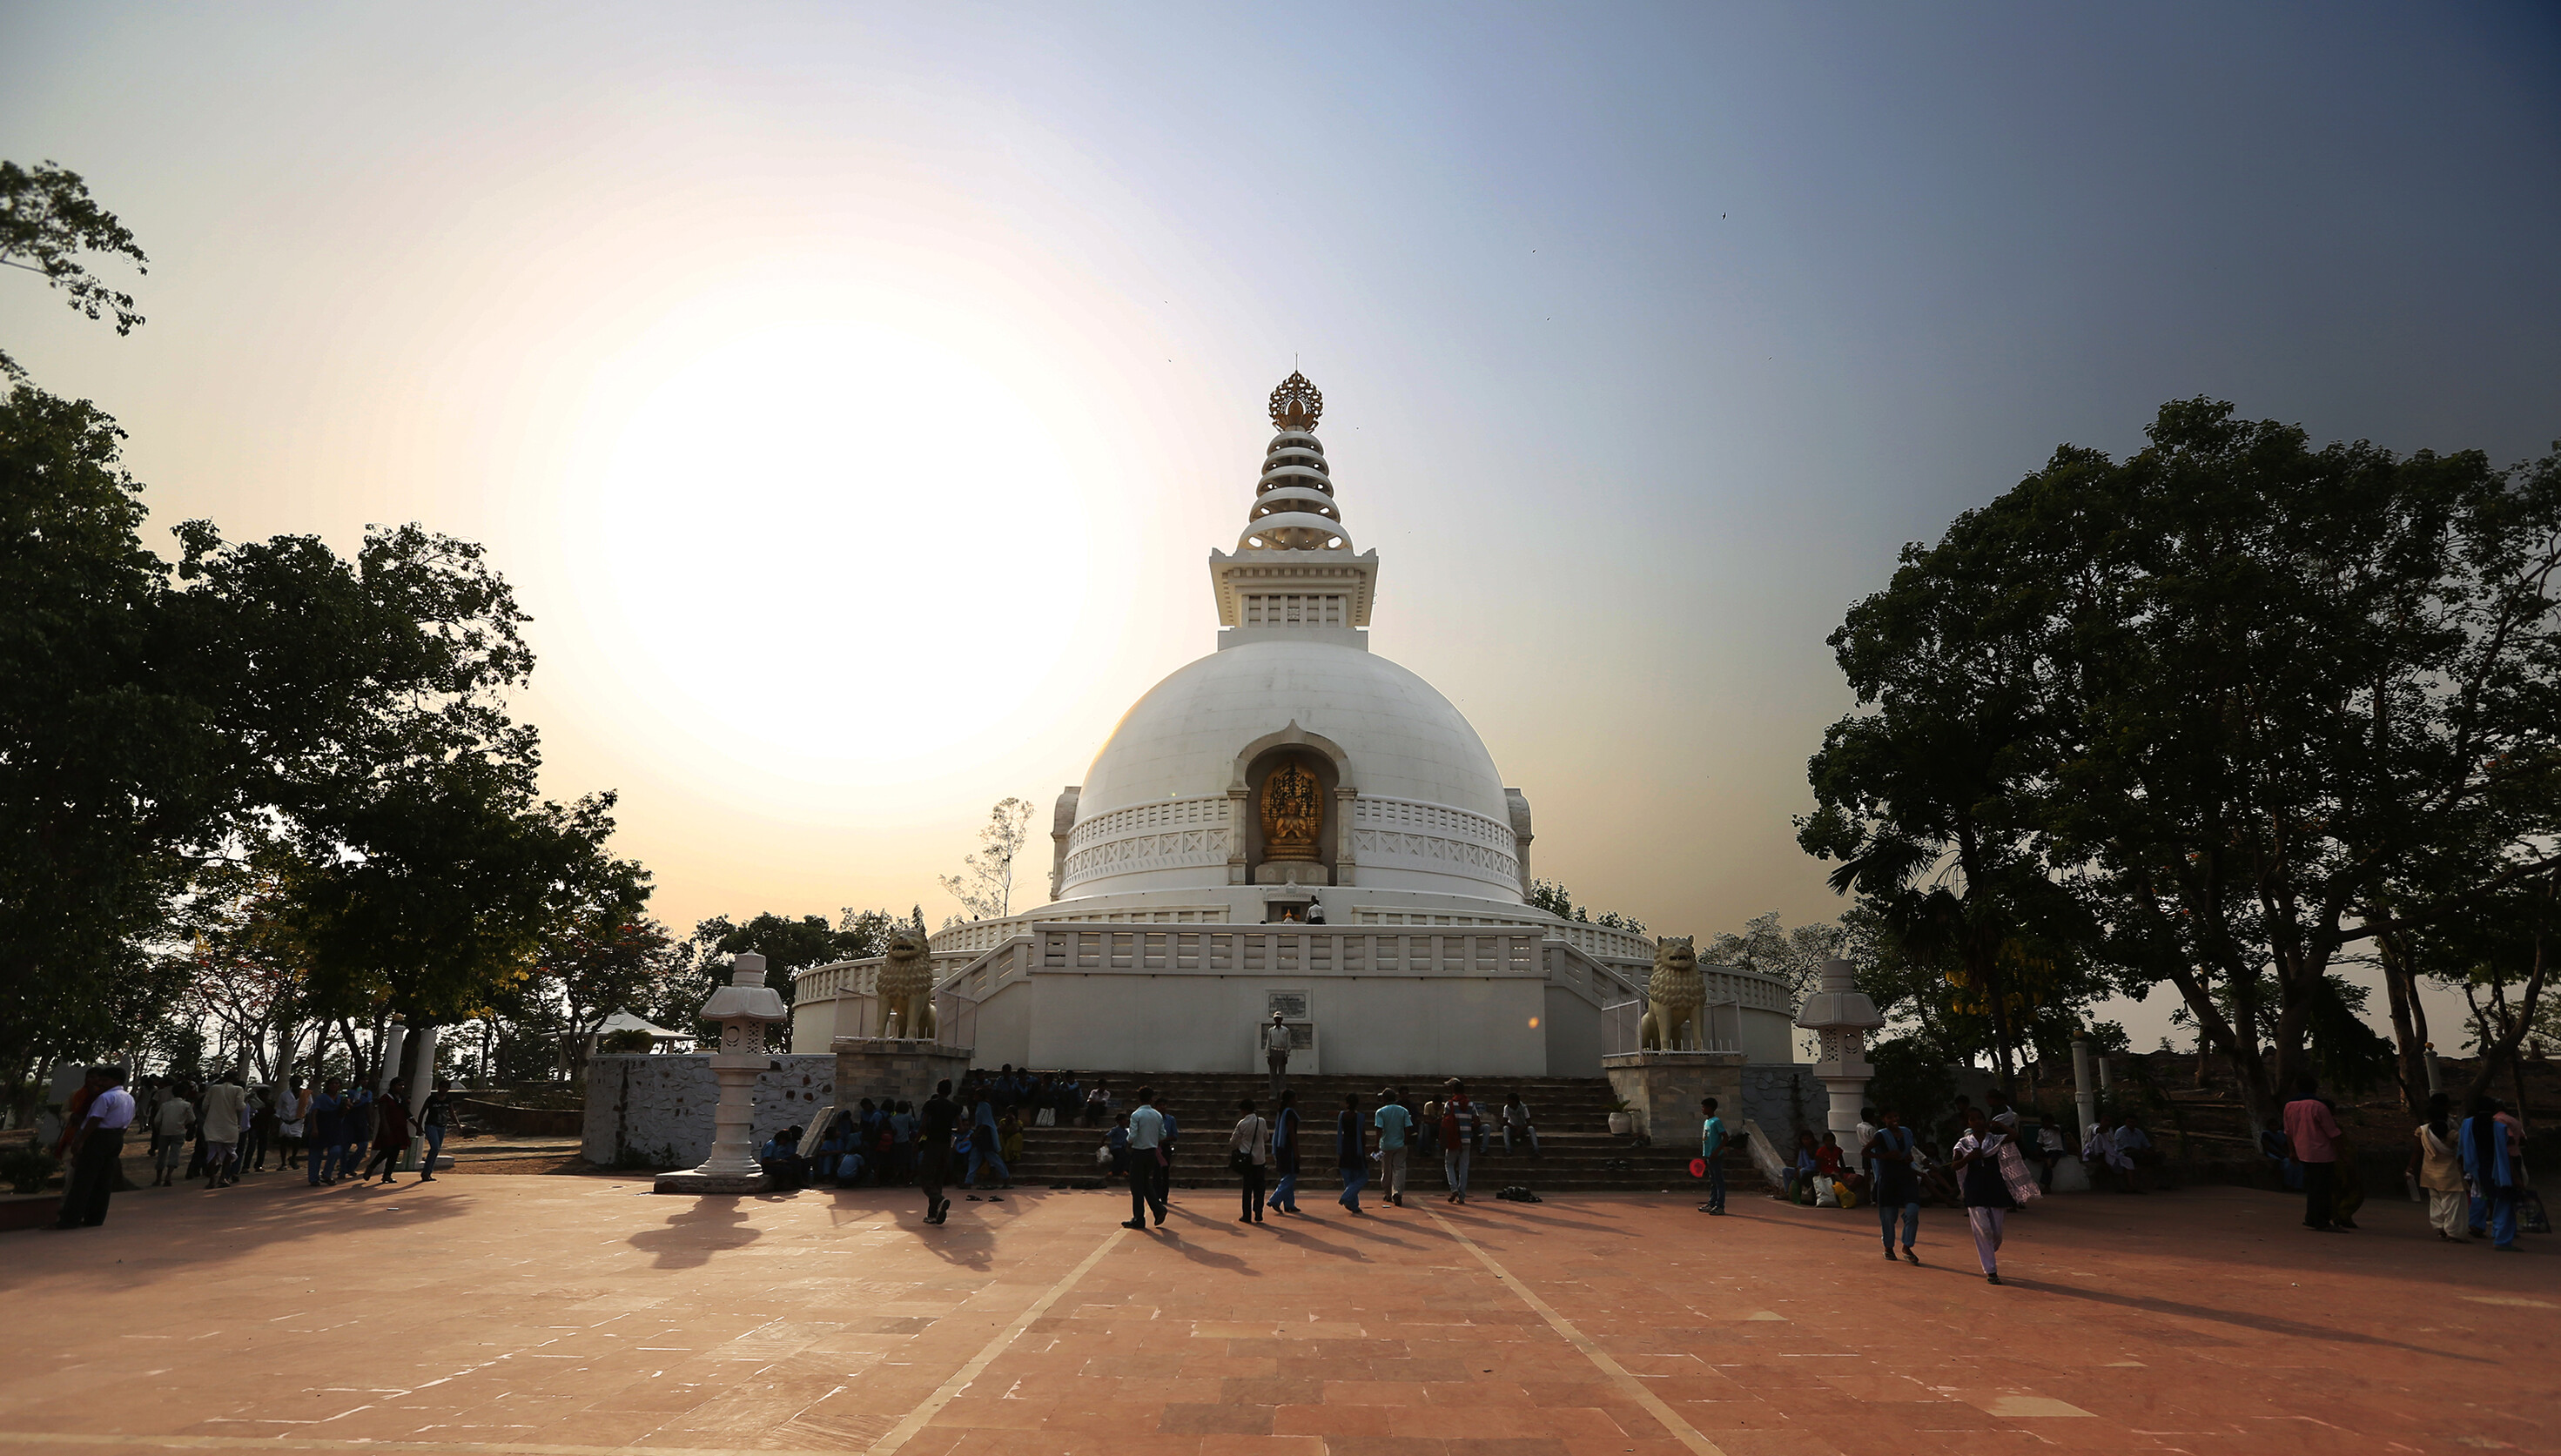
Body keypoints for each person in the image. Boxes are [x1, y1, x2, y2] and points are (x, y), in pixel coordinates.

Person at [52, 1065, 134, 1230]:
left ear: (116, 1081)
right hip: (116, 1137)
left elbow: (94, 1120)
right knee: (104, 1180)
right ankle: (95, 1217)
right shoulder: (128, 1098)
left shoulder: (105, 1097)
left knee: (84, 1179)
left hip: (98, 1137)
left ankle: (70, 1219)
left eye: (105, 1080)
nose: (100, 1083)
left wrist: (80, 1140)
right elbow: (127, 1122)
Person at [1952, 1108, 2012, 1285]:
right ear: (1968, 1123)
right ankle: (1991, 1271)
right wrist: (1969, 1157)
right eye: (1973, 1119)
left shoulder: (1994, 1139)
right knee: (1983, 1230)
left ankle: (1988, 1251)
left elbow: (2014, 1136)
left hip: (1995, 1188)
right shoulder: (1963, 1143)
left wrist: (2000, 1125)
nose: (1977, 1121)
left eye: (1980, 1118)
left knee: (1996, 1232)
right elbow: (1954, 1165)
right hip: (1975, 1189)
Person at [2283, 1075, 2343, 1232]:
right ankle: (2322, 1221)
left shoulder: (2290, 1106)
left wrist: (2292, 1151)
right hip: (2322, 1153)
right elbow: (2332, 1132)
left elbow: (2288, 1132)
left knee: (2312, 1187)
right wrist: (2341, 1152)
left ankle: (2311, 1217)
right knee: (2323, 1188)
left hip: (2303, 1151)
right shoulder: (2319, 1107)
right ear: (2315, 1088)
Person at [2460, 1096, 2520, 1251]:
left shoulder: (2468, 1124)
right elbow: (2506, 1153)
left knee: (2479, 1197)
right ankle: (2501, 1238)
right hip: (2498, 1170)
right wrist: (2515, 1177)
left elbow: (2461, 1149)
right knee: (2503, 1203)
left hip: (2475, 1168)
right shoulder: (2498, 1128)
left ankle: (2476, 1224)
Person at [2410, 1093, 2469, 1242]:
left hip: (2429, 1172)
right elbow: (2463, 1150)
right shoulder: (2453, 1134)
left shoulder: (2422, 1131)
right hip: (2450, 1173)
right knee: (2453, 1204)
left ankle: (2440, 1227)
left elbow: (2417, 1151)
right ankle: (2454, 1233)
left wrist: (2410, 1168)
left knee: (2436, 1201)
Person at [1867, 1109, 1921, 1263]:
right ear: (1883, 1119)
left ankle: (1907, 1246)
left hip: (1907, 1176)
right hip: (1888, 1178)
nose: (1894, 1119)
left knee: (1913, 1211)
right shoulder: (1881, 1135)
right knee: (1888, 1216)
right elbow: (1865, 1152)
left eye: (1896, 1116)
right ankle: (1888, 1247)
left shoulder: (1907, 1132)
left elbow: (1909, 1151)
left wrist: (1908, 1158)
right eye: (1889, 1117)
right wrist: (1884, 1156)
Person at [1123, 1086, 1168, 1229]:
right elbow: (1163, 1135)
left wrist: (1128, 1141)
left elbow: (1132, 1136)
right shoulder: (1157, 1115)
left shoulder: (1136, 1115)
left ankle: (1139, 1217)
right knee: (1145, 1183)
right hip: (1151, 1152)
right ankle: (1158, 1209)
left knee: (1136, 1185)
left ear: (1139, 1098)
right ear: (1151, 1099)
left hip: (1139, 1152)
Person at [918, 1079, 960, 1225]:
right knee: (938, 1178)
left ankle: (939, 1199)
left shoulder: (930, 1105)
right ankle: (933, 1213)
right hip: (946, 1144)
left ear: (937, 1089)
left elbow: (923, 1125)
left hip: (933, 1143)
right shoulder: (954, 1107)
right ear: (950, 1091)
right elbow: (961, 1127)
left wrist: (916, 1141)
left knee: (926, 1178)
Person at [199, 1073, 250, 1189]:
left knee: (212, 1153)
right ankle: (223, 1177)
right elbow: (240, 1107)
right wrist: (246, 1100)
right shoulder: (238, 1090)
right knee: (229, 1152)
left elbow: (204, 1106)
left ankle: (212, 1179)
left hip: (213, 1125)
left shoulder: (213, 1089)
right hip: (230, 1125)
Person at [364, 1079, 413, 1184]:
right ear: (393, 1086)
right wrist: (385, 1126)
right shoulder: (386, 1098)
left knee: (395, 1152)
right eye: (399, 1085)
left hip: (400, 1128)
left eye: (403, 1085)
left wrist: (416, 1125)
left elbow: (408, 1113)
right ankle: (371, 1166)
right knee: (387, 1150)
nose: (402, 1087)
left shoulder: (402, 1099)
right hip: (389, 1127)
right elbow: (382, 1113)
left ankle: (387, 1175)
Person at [1232, 1097, 1270, 1224]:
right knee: (1260, 1188)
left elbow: (1233, 1141)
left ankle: (1246, 1215)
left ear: (1244, 1110)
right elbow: (1266, 1137)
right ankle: (1258, 1212)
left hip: (1247, 1161)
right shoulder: (1261, 1121)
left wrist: (1242, 1145)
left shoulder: (1242, 1124)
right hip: (1260, 1159)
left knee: (1247, 1189)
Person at [1373, 1087, 1411, 1208]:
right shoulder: (1403, 1111)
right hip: (1400, 1144)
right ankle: (1397, 1192)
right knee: (1399, 1168)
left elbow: (1379, 1129)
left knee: (1386, 1170)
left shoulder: (1380, 1112)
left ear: (1384, 1099)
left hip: (1386, 1145)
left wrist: (1376, 1143)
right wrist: (1406, 1140)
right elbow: (1408, 1127)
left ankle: (1388, 1193)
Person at [1441, 1081, 1479, 1204]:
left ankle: (1454, 1188)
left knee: (1449, 1164)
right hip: (1466, 1138)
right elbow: (1477, 1122)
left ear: (1453, 1091)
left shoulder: (1450, 1104)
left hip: (1453, 1138)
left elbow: (1445, 1122)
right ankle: (1462, 1196)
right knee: (1464, 1168)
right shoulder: (1471, 1104)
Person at [150, 1084, 194, 1187]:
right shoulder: (186, 1105)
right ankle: (168, 1176)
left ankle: (158, 1178)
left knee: (162, 1154)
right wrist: (184, 1124)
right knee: (175, 1153)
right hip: (179, 1131)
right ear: (184, 1093)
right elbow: (192, 1119)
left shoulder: (165, 1105)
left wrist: (159, 1128)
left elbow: (157, 1120)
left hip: (164, 1131)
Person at [1336, 1092, 1369, 1215]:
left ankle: (1353, 1204)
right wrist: (1364, 1148)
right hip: (1356, 1148)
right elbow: (1362, 1134)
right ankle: (1348, 1197)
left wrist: (1339, 1150)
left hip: (1345, 1146)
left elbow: (1340, 1132)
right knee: (1362, 1176)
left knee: (1348, 1177)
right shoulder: (1359, 1117)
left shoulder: (1342, 1115)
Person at [306, 1078, 344, 1186]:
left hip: (335, 1128)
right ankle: (313, 1178)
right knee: (316, 1153)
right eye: (332, 1083)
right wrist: (314, 1128)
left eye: (337, 1083)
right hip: (321, 1126)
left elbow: (342, 1114)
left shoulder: (341, 1099)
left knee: (336, 1150)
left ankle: (327, 1174)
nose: (334, 1085)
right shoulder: (321, 1098)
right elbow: (314, 1113)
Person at [1270, 1090, 1301, 1215]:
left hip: (1281, 1147)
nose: (1296, 1100)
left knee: (1286, 1176)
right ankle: (1276, 1199)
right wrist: (1296, 1150)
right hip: (1288, 1148)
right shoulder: (1289, 1113)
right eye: (1295, 1098)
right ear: (1290, 1100)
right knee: (1291, 1175)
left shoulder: (1282, 1111)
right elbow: (1291, 1133)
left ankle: (1289, 1204)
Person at [416, 1077, 453, 1182]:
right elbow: (422, 1112)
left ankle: (428, 1172)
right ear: (438, 1087)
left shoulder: (448, 1100)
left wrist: (458, 1125)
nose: (444, 1089)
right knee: (435, 1147)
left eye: (446, 1087)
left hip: (442, 1126)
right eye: (442, 1087)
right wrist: (419, 1126)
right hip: (431, 1125)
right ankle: (426, 1172)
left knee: (437, 1149)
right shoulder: (432, 1099)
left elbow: (451, 1112)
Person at [1697, 1097, 1728, 1215]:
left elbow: (1725, 1137)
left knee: (1719, 1181)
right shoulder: (1707, 1122)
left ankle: (1720, 1206)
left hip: (1716, 1156)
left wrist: (1717, 1151)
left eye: (1704, 1107)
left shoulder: (1716, 1121)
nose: (1702, 1109)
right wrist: (1706, 1155)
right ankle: (1712, 1203)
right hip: (1709, 1156)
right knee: (1713, 1181)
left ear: (1710, 1108)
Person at [2258, 1118, 2302, 1191]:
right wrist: (2282, 1154)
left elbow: (2285, 1145)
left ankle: (2298, 1185)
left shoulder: (2281, 1134)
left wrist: (2289, 1153)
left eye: (2276, 1125)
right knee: (2288, 1163)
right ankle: (2288, 1184)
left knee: (2299, 1165)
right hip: (2273, 1153)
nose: (2275, 1127)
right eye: (2272, 1125)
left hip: (2284, 1153)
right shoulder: (2266, 1134)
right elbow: (2268, 1147)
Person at [277, 1078, 309, 1172]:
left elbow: (309, 1107)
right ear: (290, 1083)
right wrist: (278, 1120)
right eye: (294, 1082)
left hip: (298, 1121)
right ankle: (283, 1163)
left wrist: (306, 1118)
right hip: (285, 1121)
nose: (296, 1084)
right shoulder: (284, 1095)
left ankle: (293, 1159)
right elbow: (279, 1108)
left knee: (297, 1140)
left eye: (298, 1082)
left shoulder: (306, 1094)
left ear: (301, 1083)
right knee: (283, 1142)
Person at [1262, 1012, 1294, 1102]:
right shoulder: (1271, 1030)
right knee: (1272, 1074)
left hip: (1282, 1052)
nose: (1277, 1021)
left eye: (1279, 1019)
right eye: (1276, 1019)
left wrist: (1286, 1055)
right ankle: (1273, 1094)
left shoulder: (1285, 1030)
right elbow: (1268, 1043)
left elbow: (1288, 1043)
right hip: (1273, 1051)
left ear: (1281, 1020)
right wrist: (1268, 1055)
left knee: (1282, 1074)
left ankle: (1282, 1093)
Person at [1781, 1129, 1819, 1203]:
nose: (1806, 1141)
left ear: (1812, 1139)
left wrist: (1801, 1169)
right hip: (1802, 1169)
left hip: (1812, 1170)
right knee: (1786, 1170)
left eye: (1807, 1139)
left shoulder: (1816, 1150)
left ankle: (1800, 1193)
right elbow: (1800, 1163)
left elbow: (1815, 1164)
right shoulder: (1802, 1150)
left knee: (1803, 1171)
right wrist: (1798, 1169)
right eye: (1804, 1139)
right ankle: (1788, 1192)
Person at [2031, 1116, 2066, 1192]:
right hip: (2046, 1149)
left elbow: (2060, 1128)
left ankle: (2047, 1186)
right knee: (2032, 1155)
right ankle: (2046, 1160)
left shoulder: (2056, 1128)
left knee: (2048, 1166)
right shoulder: (2041, 1131)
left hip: (2056, 1150)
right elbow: (2039, 1142)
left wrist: (2050, 1125)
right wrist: (2037, 1152)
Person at [1502, 1093, 1540, 1157]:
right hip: (1513, 1127)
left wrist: (1520, 1129)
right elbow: (1505, 1122)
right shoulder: (1506, 1108)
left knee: (1531, 1128)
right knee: (1505, 1128)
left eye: (1509, 1101)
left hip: (1523, 1127)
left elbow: (1529, 1122)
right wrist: (1516, 1128)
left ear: (1514, 1101)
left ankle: (1536, 1149)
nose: (1508, 1102)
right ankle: (1508, 1149)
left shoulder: (1523, 1107)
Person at [1106, 1111, 1131, 1184]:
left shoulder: (1126, 1131)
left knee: (1127, 1156)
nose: (1125, 1121)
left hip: (1123, 1147)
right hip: (1116, 1147)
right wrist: (1102, 1144)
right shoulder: (1115, 1129)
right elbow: (1106, 1136)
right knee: (1120, 1156)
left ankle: (1125, 1170)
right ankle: (1112, 1171)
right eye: (1124, 1120)